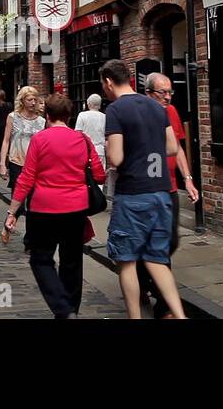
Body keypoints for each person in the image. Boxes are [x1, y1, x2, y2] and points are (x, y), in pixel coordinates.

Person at [5, 94, 105, 318]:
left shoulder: (40, 139)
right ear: (69, 116)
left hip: (44, 210)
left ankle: (63, 309)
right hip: (76, 209)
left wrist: (12, 212)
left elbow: (26, 178)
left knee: (41, 260)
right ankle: (71, 309)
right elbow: (99, 174)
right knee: (72, 262)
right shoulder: (83, 140)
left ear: (47, 115)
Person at [100, 59, 186, 319]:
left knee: (126, 261)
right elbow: (172, 147)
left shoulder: (115, 110)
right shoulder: (157, 107)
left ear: (108, 82)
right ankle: (180, 316)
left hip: (133, 194)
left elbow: (116, 157)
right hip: (161, 192)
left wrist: (108, 149)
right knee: (157, 260)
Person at [139, 72, 201, 318]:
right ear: (149, 93)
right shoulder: (140, 113)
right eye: (161, 93)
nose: (167, 97)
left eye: (169, 92)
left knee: (170, 241)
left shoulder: (171, 111)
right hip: (147, 188)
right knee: (159, 244)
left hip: (171, 187)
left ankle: (144, 277)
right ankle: (164, 306)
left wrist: (188, 179)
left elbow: (178, 149)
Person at [74, 93, 106, 164]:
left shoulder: (82, 115)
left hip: (85, 150)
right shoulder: (104, 117)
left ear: (89, 104)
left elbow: (77, 133)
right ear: (99, 105)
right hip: (99, 150)